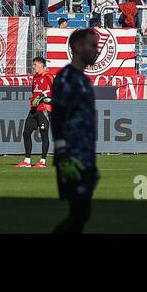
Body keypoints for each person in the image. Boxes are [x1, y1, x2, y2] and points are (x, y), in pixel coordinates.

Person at [52, 28, 100, 234]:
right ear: (78, 47)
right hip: (71, 156)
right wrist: (62, 152)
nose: (96, 50)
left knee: (82, 214)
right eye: (93, 46)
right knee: (78, 214)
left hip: (85, 155)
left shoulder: (83, 80)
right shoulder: (66, 78)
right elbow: (58, 115)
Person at [16, 57, 54, 168]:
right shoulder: (35, 77)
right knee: (26, 133)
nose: (33, 67)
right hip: (34, 109)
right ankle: (27, 161)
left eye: (35, 64)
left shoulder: (48, 76)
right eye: (33, 65)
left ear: (41, 65)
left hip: (44, 109)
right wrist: (35, 99)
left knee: (44, 134)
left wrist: (43, 96)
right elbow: (34, 91)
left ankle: (42, 161)